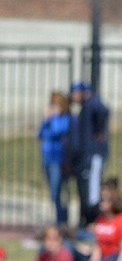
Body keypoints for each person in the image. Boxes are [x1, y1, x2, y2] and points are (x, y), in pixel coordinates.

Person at [67, 82, 109, 228]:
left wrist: (99, 130)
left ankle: (93, 220)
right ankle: (86, 220)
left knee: (92, 189)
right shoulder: (83, 109)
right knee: (84, 189)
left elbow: (103, 110)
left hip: (92, 154)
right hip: (82, 157)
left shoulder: (92, 103)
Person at [73, 187, 122, 261]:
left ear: (113, 202)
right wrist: (94, 255)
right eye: (101, 199)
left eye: (104, 200)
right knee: (71, 249)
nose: (101, 202)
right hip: (103, 256)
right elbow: (98, 243)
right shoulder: (100, 219)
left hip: (116, 256)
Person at [37, 91, 72, 225]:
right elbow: (40, 133)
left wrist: (53, 117)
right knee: (53, 192)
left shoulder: (65, 118)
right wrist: (45, 119)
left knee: (57, 191)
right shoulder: (49, 118)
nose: (52, 107)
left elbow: (58, 131)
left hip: (58, 160)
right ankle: (59, 220)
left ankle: (62, 220)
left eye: (56, 104)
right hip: (47, 158)